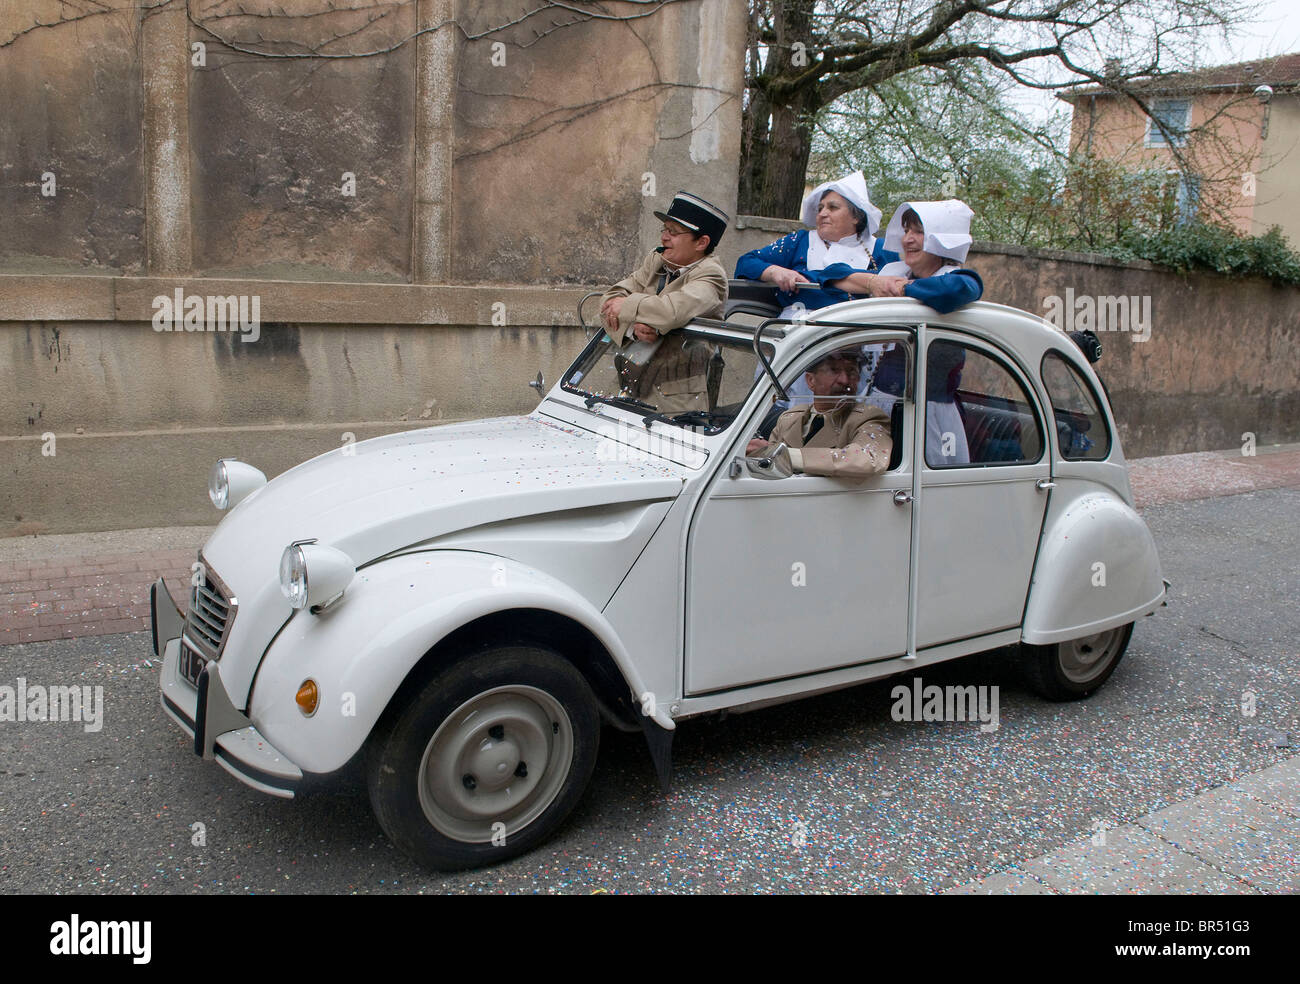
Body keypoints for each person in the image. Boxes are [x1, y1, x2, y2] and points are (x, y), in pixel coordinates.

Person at [599, 191, 729, 414]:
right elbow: (608, 301)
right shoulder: (657, 261)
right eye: (665, 230)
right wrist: (633, 328)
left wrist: (628, 307)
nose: (664, 238)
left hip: (677, 402)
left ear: (702, 242)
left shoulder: (711, 276)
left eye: (674, 232)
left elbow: (670, 311)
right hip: (630, 387)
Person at [734, 171, 900, 319]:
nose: (822, 213)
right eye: (820, 208)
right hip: (798, 336)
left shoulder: (882, 250)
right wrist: (774, 271)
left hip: (860, 338)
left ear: (856, 216)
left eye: (832, 207)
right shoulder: (799, 241)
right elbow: (746, 262)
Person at [746, 349, 892, 479]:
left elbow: (868, 459)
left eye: (851, 372)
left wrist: (786, 456)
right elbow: (770, 471)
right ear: (811, 380)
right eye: (834, 370)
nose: (845, 380)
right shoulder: (790, 418)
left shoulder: (868, 418)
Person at [876, 200, 983, 314]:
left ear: (941, 240)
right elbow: (854, 276)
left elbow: (953, 290)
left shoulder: (961, 282)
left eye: (919, 232)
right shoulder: (892, 272)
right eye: (906, 231)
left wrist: (903, 288)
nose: (907, 240)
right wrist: (870, 283)